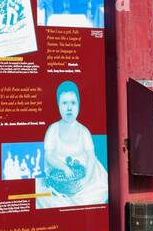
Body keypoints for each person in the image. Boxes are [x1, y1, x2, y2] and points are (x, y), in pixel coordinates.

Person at [37, 80, 108, 208]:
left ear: (79, 105)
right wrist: (64, 167)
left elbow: (91, 158)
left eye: (73, 103)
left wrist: (86, 180)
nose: (69, 108)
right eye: (64, 103)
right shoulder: (53, 129)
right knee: (45, 197)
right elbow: (47, 156)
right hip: (56, 172)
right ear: (58, 105)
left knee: (92, 195)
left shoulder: (84, 131)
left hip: (83, 173)